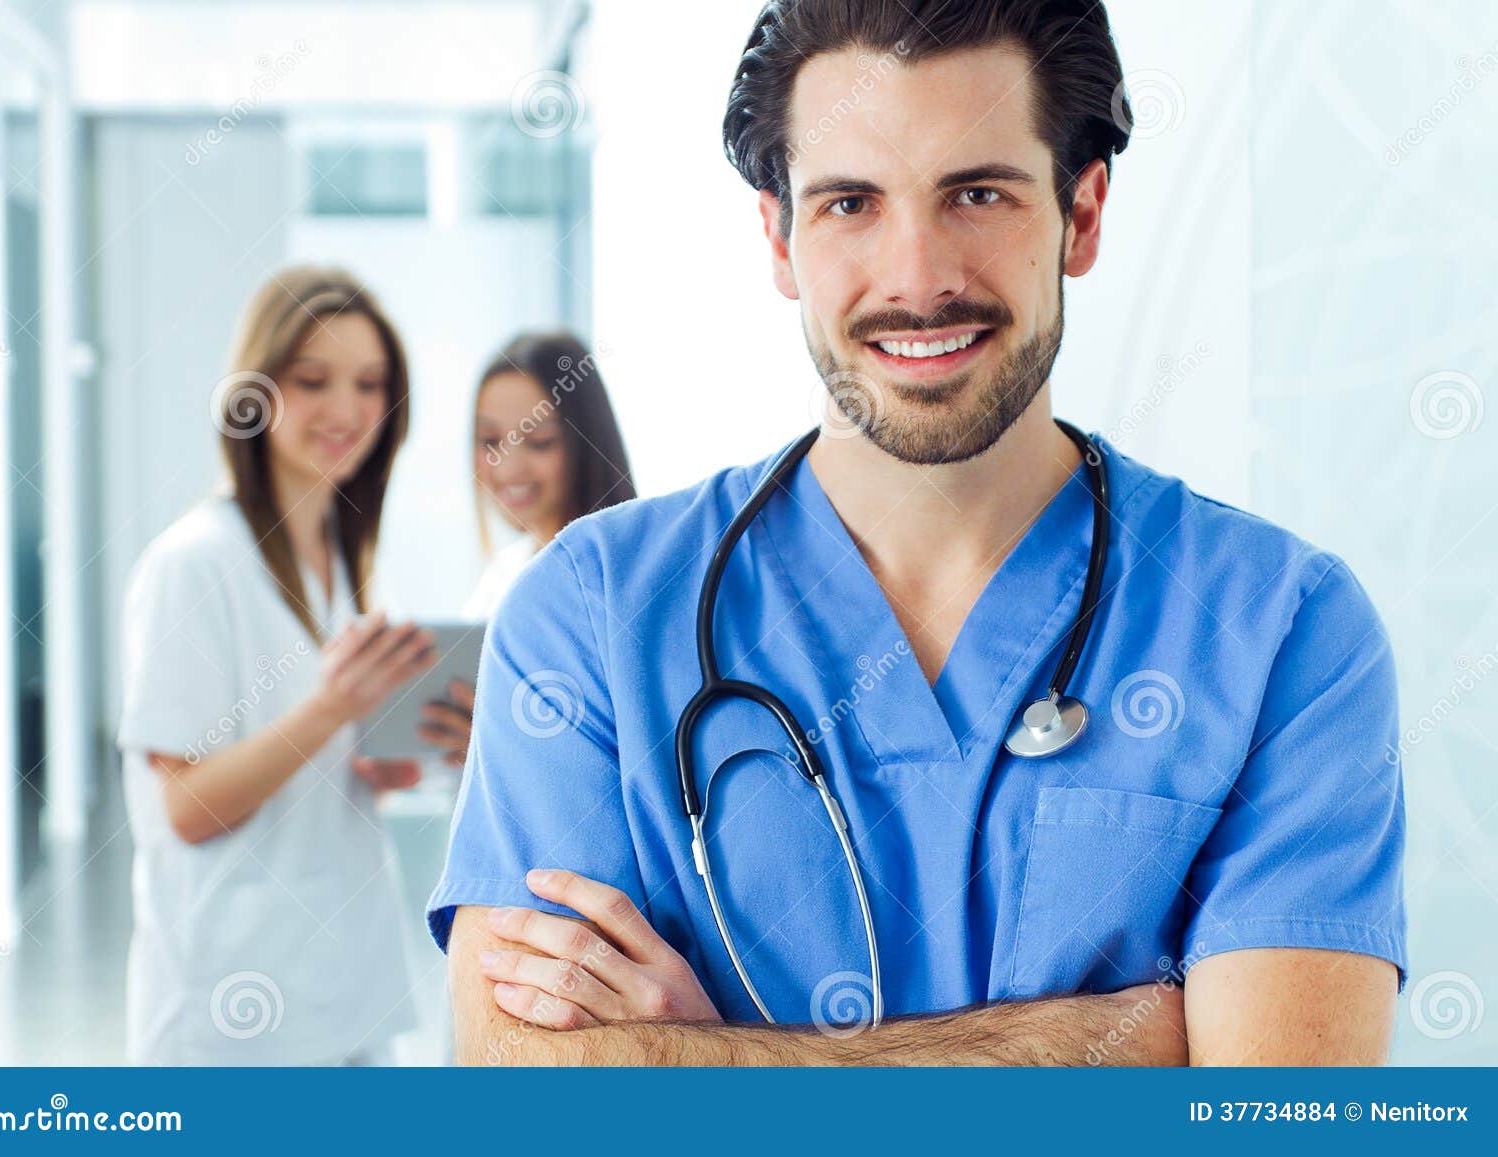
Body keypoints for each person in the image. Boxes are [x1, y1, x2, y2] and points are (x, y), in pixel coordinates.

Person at [429, 0, 1407, 1066]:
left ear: (1081, 214)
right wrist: (1110, 1041)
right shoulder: (591, 613)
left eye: (976, 194)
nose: (917, 275)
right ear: (779, 236)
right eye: (850, 202)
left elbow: (1281, 1119)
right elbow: (527, 1091)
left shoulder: (1278, 625)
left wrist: (700, 1056)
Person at [117, 266, 437, 1065]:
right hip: (233, 1012)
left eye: (369, 384)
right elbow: (187, 808)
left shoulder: (346, 557)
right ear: (255, 393)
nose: (346, 410)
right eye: (312, 380)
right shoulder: (194, 564)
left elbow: (334, 758)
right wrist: (328, 710)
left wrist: (395, 750)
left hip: (347, 990)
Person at [415, 332, 638, 761]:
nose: (508, 467)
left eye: (539, 442)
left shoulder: (625, 577)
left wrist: (499, 748)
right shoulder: (502, 573)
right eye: (490, 442)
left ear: (586, 442)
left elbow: (631, 759)